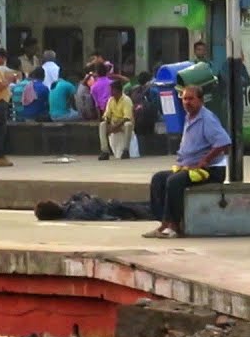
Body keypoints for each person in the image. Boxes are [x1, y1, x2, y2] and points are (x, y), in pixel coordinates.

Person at [145, 85, 231, 239]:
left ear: (201, 100)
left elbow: (224, 142)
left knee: (174, 181)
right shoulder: (188, 117)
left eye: (191, 99)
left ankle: (174, 225)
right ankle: (164, 223)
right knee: (158, 178)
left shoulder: (207, 118)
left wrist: (204, 160)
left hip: (210, 170)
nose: (187, 102)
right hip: (189, 167)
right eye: (184, 99)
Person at [99, 79, 134, 161]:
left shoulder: (126, 100)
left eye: (111, 89)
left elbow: (127, 117)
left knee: (128, 124)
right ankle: (105, 151)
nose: (110, 91)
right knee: (102, 125)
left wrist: (115, 127)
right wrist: (107, 121)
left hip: (123, 124)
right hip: (113, 123)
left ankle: (126, 150)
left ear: (117, 90)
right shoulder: (110, 100)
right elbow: (106, 115)